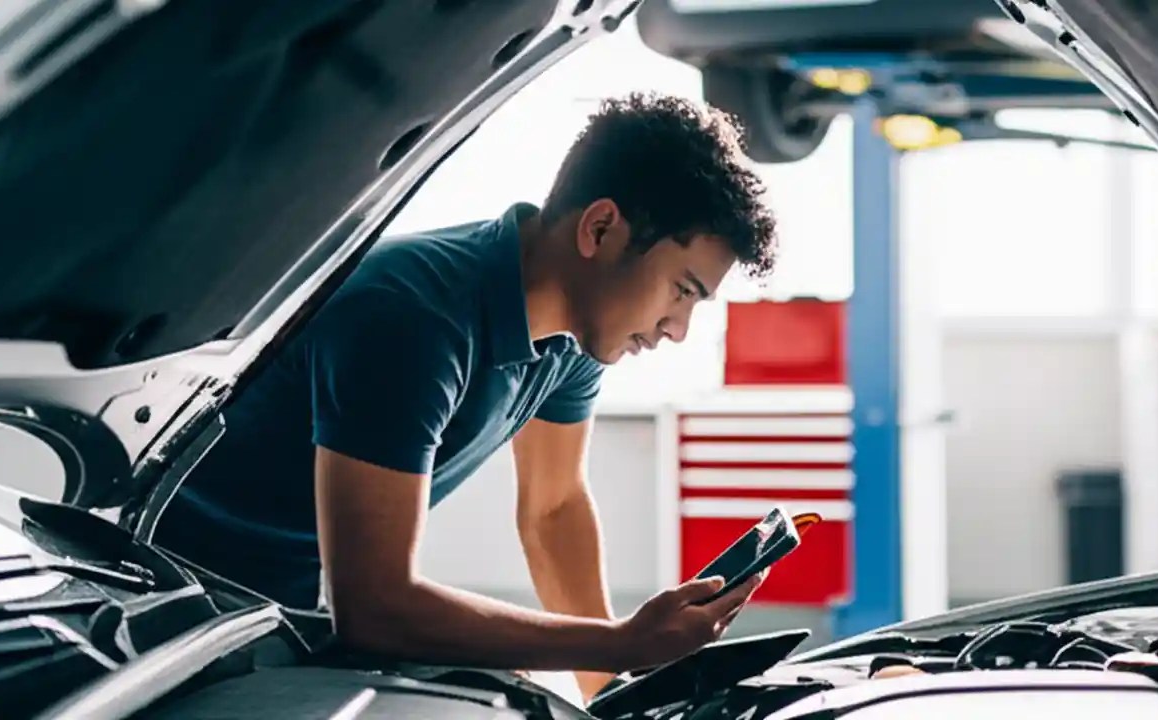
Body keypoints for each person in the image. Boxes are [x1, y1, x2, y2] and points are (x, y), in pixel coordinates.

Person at [153, 92, 779, 701]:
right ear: (600, 228)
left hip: (290, 608)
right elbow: (375, 609)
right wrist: (618, 644)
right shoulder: (412, 316)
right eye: (682, 290)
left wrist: (612, 690)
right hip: (171, 610)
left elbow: (553, 508)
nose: (678, 329)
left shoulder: (573, 339)